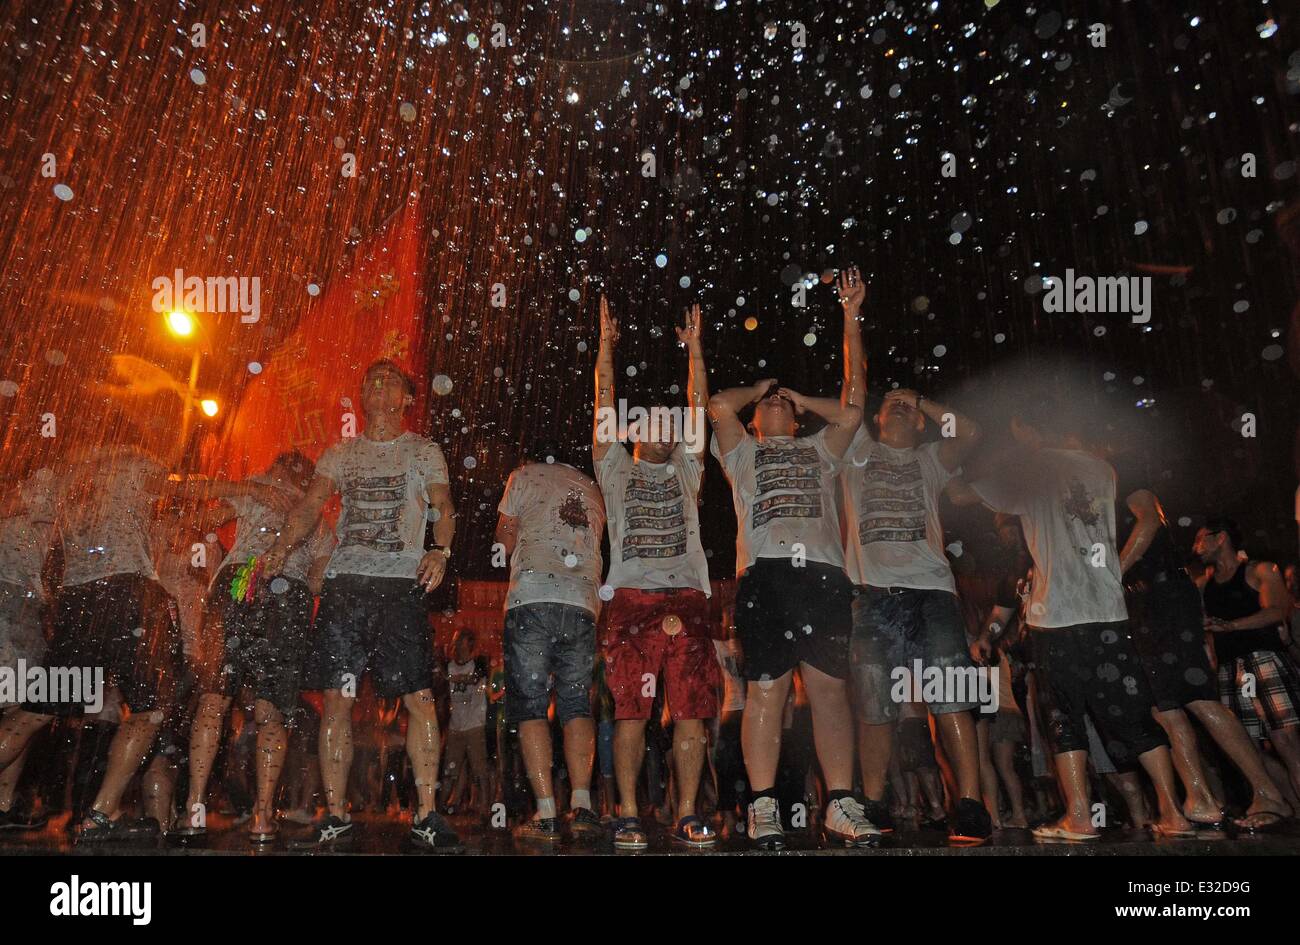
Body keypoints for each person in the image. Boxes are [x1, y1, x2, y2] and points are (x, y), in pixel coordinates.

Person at [951, 401, 1193, 840]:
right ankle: (1174, 811)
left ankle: (1079, 816)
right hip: (1108, 614)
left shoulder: (1031, 467)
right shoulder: (1103, 469)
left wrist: (953, 461)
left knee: (1063, 718)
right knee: (1134, 716)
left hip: (1059, 617)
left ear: (1027, 428)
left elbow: (961, 495)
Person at [260, 359, 460, 851]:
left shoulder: (422, 450)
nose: (379, 385)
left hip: (399, 587)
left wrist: (441, 549)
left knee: (420, 698)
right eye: (372, 380)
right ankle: (335, 813)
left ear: (408, 399)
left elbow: (444, 506)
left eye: (391, 379)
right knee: (337, 700)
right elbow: (309, 508)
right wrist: (281, 548)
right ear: (362, 397)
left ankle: (428, 813)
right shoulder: (341, 453)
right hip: (347, 585)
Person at [836, 266, 991, 843]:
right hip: (871, 595)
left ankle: (970, 803)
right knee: (875, 701)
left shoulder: (931, 460)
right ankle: (873, 803)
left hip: (933, 592)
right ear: (876, 421)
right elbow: (853, 387)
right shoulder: (857, 453)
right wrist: (852, 318)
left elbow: (972, 431)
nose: (898, 410)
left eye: (908, 408)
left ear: (921, 421)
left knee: (949, 696)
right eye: (891, 405)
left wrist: (919, 394)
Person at [707, 365, 877, 849]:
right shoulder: (743, 452)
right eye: (767, 402)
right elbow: (718, 405)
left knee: (829, 691)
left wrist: (799, 393)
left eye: (784, 402)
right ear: (755, 418)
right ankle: (764, 808)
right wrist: (761, 388)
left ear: (798, 418)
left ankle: (841, 803)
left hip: (823, 576)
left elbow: (849, 417)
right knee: (766, 692)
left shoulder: (820, 450)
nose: (774, 402)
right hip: (765, 576)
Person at [0, 445, 197, 842]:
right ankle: (99, 815)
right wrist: (247, 489)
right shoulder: (133, 461)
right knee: (149, 711)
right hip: (128, 592)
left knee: (39, 709)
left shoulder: (70, 472)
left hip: (78, 598)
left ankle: (96, 814)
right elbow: (182, 491)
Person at [593, 298, 721, 850]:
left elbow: (697, 407)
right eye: (653, 423)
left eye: (672, 424)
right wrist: (605, 349)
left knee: (690, 712)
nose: (667, 429)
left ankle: (687, 811)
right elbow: (601, 404)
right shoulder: (615, 464)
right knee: (630, 713)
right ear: (634, 431)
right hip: (631, 601)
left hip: (688, 599)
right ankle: (627, 812)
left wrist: (694, 349)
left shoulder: (689, 468)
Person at [178, 452, 334, 843]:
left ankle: (194, 811)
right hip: (288, 596)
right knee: (271, 711)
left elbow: (199, 515)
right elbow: (318, 582)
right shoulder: (319, 521)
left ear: (277, 468)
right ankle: (263, 817)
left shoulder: (260, 491)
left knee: (214, 700)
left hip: (238, 584)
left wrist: (247, 489)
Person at [1122, 494, 1290, 830]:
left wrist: (1112, 570)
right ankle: (1200, 799)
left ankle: (1269, 794)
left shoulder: (1125, 483)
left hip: (1164, 602)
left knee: (1199, 700)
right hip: (1146, 606)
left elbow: (1151, 519)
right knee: (1163, 708)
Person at [495, 438, 606, 843]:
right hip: (581, 602)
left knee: (530, 707)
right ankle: (583, 805)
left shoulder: (522, 476)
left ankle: (545, 812)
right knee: (576, 703)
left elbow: (505, 532)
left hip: (532, 597)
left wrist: (500, 560)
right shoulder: (592, 487)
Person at [1195, 517, 1300, 805]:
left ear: (1221, 538)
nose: (1196, 546)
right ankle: (1289, 808)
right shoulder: (1204, 584)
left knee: (1285, 741)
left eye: (1202, 538)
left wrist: (1231, 626)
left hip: (1262, 660)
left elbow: (1278, 610)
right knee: (1248, 750)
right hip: (1229, 669)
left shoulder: (1260, 571)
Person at [0, 471, 57, 830]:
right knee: (24, 709)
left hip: (26, 610)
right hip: (10, 606)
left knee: (18, 708)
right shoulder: (21, 500)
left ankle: (4, 804)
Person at [440, 629, 491, 815]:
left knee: (480, 769)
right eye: (456, 642)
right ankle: (438, 807)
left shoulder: (479, 663)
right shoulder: (449, 666)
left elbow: (475, 679)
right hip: (456, 726)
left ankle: (485, 808)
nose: (457, 646)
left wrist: (451, 678)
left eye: (460, 642)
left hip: (475, 724)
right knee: (450, 770)